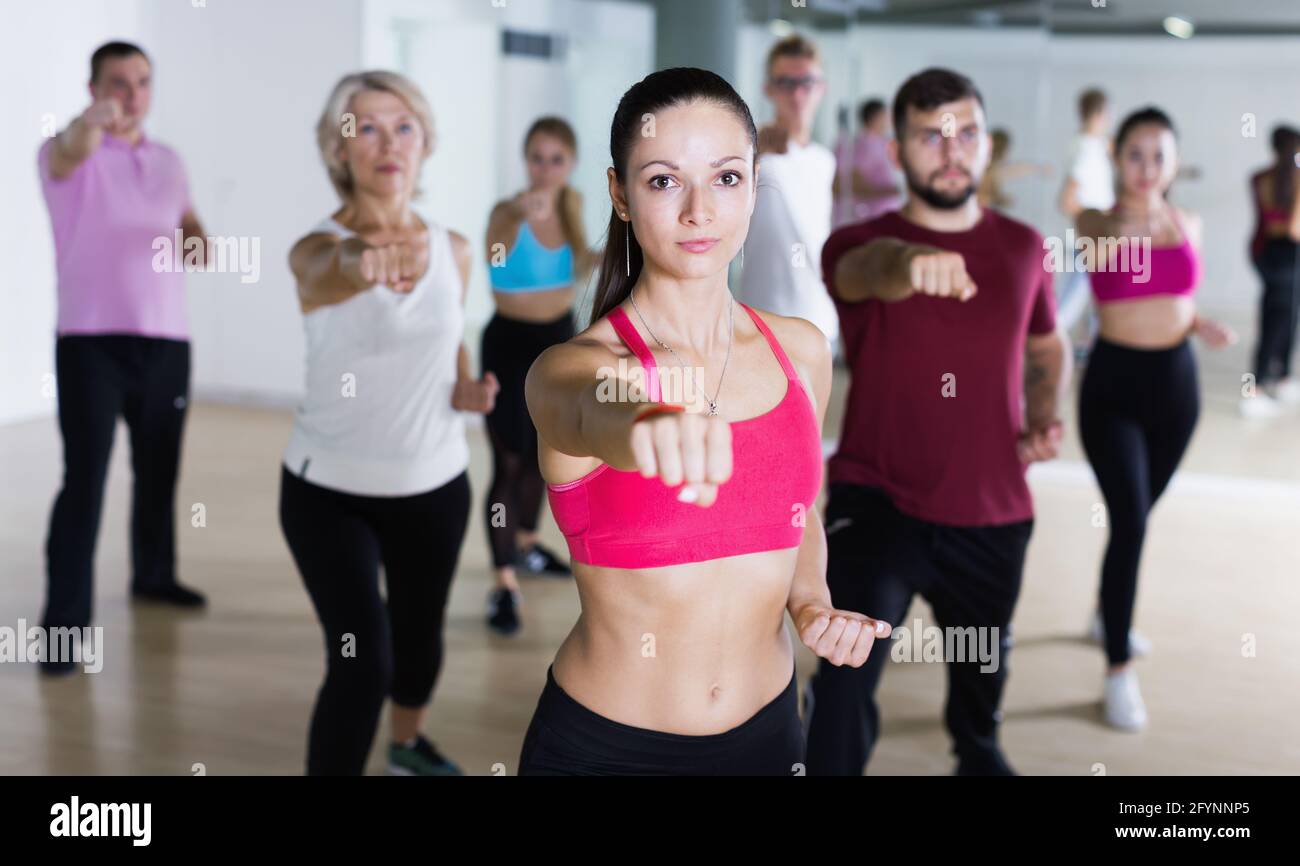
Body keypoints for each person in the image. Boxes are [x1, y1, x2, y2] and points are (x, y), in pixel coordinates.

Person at [518, 67, 892, 776]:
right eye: (663, 181)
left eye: (725, 178)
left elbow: (800, 508)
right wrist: (641, 425)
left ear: (754, 184)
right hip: (609, 752)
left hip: (772, 736)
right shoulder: (578, 368)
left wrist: (811, 603)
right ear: (620, 195)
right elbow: (583, 407)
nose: (699, 211)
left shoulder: (801, 353)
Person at [804, 68, 1070, 776]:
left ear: (986, 145)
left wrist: (1042, 413)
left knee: (980, 687)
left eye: (967, 134)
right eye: (930, 135)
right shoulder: (857, 244)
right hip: (875, 499)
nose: (951, 152)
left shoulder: (1021, 246)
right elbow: (865, 272)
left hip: (992, 509)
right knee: (842, 685)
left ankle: (976, 751)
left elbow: (1045, 340)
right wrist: (911, 259)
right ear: (896, 153)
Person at [278, 71, 497, 775]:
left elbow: (446, 334)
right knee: (361, 660)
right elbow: (332, 269)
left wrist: (465, 387)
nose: (386, 142)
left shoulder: (455, 248)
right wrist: (365, 261)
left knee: (418, 641)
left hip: (434, 482)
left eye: (402, 126)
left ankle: (407, 743)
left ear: (424, 141)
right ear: (338, 150)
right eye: (364, 128)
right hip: (327, 492)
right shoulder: (316, 249)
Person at [37, 41, 207, 675]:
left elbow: (188, 223)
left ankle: (154, 577)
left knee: (159, 473)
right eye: (118, 82)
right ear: (93, 87)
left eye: (141, 82)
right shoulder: (66, 151)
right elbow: (72, 148)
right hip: (90, 343)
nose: (132, 94)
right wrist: (92, 122)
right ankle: (62, 633)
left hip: (166, 342)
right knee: (85, 481)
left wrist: (197, 239)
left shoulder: (169, 160)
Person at [1075, 108, 1236, 730]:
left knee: (1134, 517)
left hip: (1177, 387)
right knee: (1133, 524)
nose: (1147, 168)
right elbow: (1118, 276)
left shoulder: (1187, 221)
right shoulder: (1093, 221)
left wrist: (1198, 322)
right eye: (1136, 154)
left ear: (1174, 164)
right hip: (1113, 387)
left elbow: (1176, 295)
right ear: (1118, 158)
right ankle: (1117, 668)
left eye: (1159, 157)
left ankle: (1103, 609)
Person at [481, 117, 594, 635]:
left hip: (557, 342)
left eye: (556, 159)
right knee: (506, 460)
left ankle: (526, 545)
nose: (545, 169)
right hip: (507, 344)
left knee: (539, 457)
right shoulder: (506, 212)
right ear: (525, 161)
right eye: (537, 158)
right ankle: (503, 581)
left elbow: (582, 264)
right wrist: (514, 220)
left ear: (569, 165)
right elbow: (495, 261)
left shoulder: (573, 207)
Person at [739, 35, 839, 349]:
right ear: (768, 89)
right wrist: (752, 156)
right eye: (786, 82)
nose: (797, 94)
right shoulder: (748, 150)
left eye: (807, 82)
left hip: (818, 317)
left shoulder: (825, 160)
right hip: (759, 314)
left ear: (821, 88)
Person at [1241, 125, 1300, 418]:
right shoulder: (1292, 180)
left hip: (1265, 252)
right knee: (1278, 318)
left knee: (1284, 314)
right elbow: (1293, 229)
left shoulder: (1259, 178)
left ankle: (1282, 377)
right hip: (1285, 254)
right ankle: (1257, 387)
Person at [1057, 88, 1114, 353]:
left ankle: (1089, 342)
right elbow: (1066, 200)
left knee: (1096, 291)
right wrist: (1093, 222)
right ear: (1102, 113)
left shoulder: (1089, 144)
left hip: (1097, 234)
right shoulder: (1086, 150)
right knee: (1078, 292)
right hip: (1092, 235)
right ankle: (1049, 336)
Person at [834, 98, 903, 228]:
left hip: (883, 219)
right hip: (872, 219)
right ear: (875, 117)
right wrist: (892, 191)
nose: (888, 121)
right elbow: (853, 184)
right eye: (885, 116)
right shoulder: (866, 144)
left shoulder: (880, 142)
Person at [976, 128, 1052, 210]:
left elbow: (1016, 169)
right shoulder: (989, 170)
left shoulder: (988, 167)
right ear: (1003, 149)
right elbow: (983, 196)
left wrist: (1038, 168)